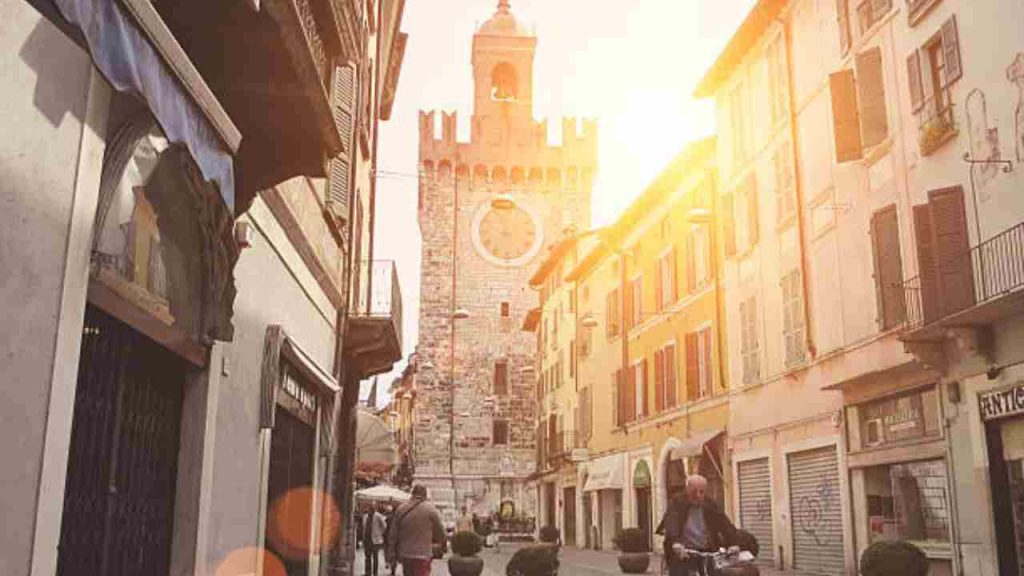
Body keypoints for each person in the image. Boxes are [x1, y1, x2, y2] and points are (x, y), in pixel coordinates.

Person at [661, 474, 740, 576]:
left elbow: (725, 523)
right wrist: (676, 542)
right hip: (683, 551)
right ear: (687, 490)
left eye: (701, 492)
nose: (698, 495)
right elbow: (672, 521)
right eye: (694, 492)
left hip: (706, 550)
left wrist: (733, 543)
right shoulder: (676, 502)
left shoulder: (710, 504)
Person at [386, 485, 446, 576]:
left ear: (412, 493)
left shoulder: (401, 509)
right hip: (423, 554)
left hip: (405, 554)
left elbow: (393, 535)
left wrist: (391, 553)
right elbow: (441, 533)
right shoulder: (430, 510)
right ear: (424, 494)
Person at [363, 503, 387, 576]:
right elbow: (364, 527)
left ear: (374, 508)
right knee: (367, 557)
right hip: (367, 540)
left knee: (375, 557)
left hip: (375, 540)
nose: (370, 509)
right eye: (369, 508)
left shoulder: (378, 516)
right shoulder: (365, 516)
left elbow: (384, 526)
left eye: (372, 508)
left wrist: (380, 533)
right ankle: (368, 573)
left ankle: (375, 573)